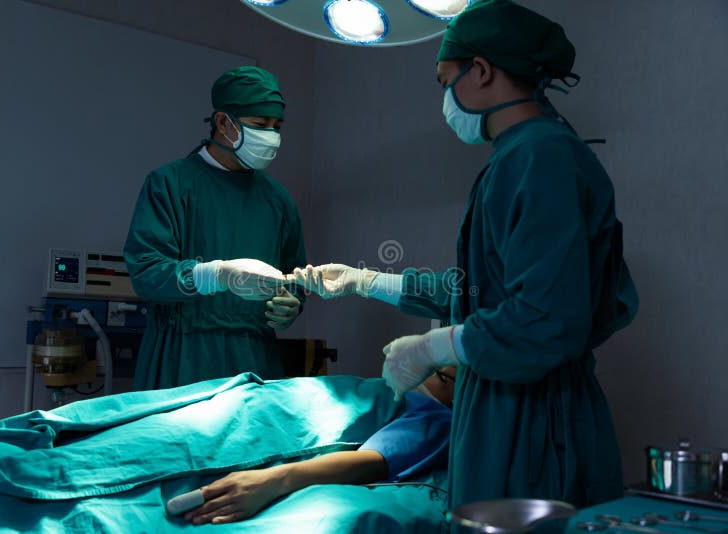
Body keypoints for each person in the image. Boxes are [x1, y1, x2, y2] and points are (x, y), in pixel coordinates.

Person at [290, 0, 639, 516]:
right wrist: (366, 280)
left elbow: (546, 319)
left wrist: (437, 345)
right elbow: (482, 288)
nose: (445, 98)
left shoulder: (543, 158)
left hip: (533, 424)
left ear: (480, 70)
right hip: (502, 411)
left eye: (443, 80)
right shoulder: (519, 158)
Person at [124, 66, 307, 389]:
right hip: (183, 355)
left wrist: (290, 302)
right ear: (223, 123)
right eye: (260, 125)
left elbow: (294, 277)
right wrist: (215, 274)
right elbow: (147, 273)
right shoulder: (171, 184)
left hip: (255, 358)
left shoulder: (277, 200)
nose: (272, 136)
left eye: (277, 126)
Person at [183, 366, 455, 526]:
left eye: (440, 374)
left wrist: (273, 480)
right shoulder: (399, 390)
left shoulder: (437, 418)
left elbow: (373, 461)